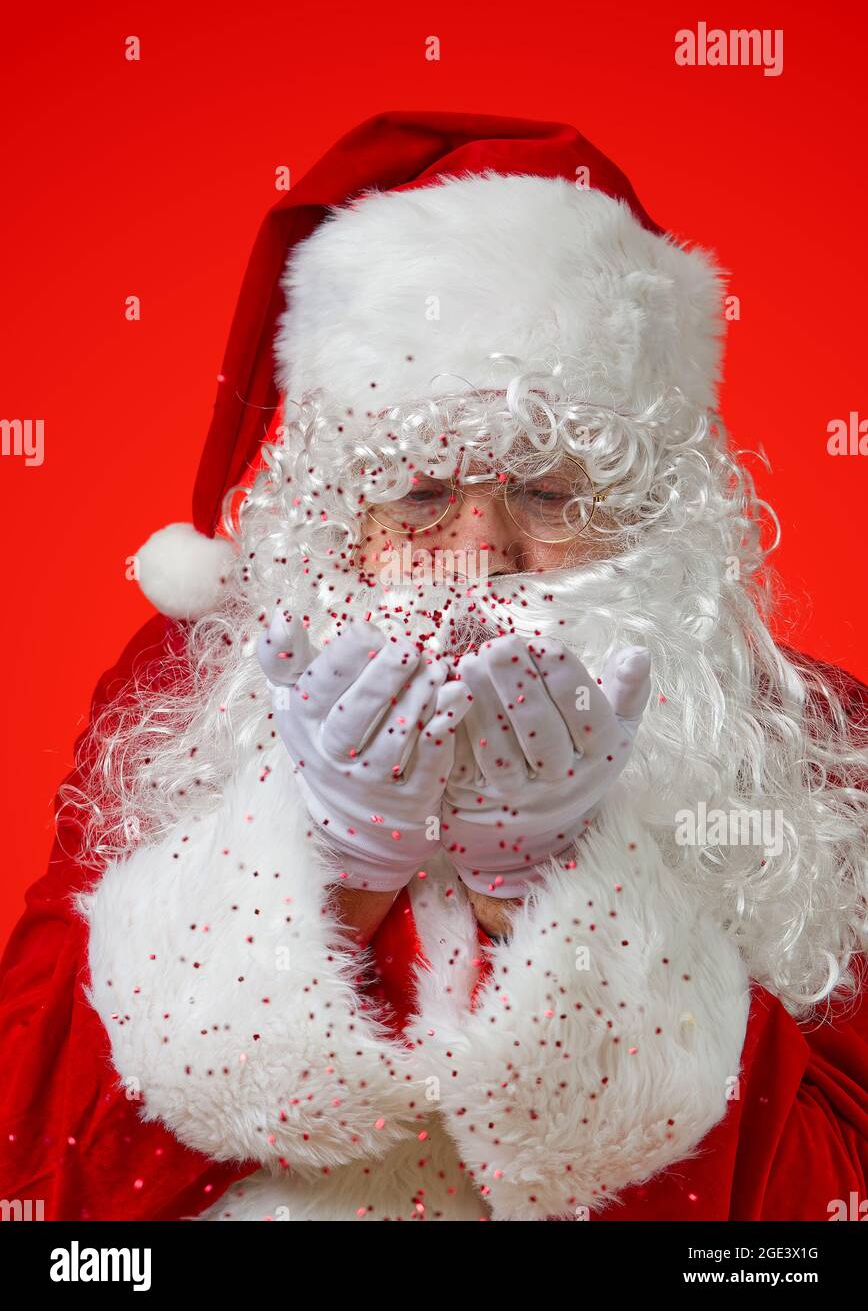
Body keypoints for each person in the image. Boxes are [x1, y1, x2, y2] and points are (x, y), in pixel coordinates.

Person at [1, 111, 866, 1223]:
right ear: (338, 511)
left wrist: (566, 901)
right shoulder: (183, 686)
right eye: (420, 493)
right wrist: (322, 872)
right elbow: (39, 1181)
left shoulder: (803, 734)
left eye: (546, 494)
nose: (477, 556)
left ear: (649, 509)